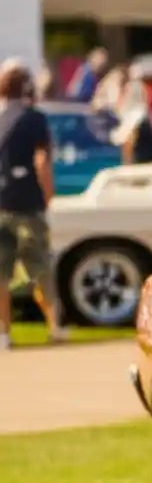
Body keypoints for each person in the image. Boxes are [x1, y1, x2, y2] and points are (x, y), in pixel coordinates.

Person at [0, 63, 65, 349]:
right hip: (27, 204)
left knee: (1, 274)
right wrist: (47, 196)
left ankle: (4, 333)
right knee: (40, 267)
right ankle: (54, 326)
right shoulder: (34, 118)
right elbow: (41, 162)